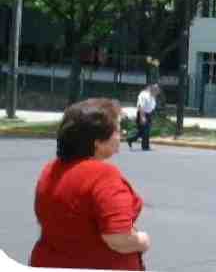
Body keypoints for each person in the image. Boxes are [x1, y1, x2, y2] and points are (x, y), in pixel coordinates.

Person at [30, 98, 150, 270]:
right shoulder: (103, 176)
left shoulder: (51, 170)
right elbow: (118, 238)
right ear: (98, 142)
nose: (121, 133)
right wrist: (143, 241)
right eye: (117, 129)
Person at [127, 84, 160, 151]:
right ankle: (145, 146)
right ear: (152, 89)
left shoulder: (152, 96)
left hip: (148, 114)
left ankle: (130, 139)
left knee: (142, 132)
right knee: (145, 131)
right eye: (156, 91)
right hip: (142, 114)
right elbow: (140, 106)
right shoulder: (144, 95)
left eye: (157, 91)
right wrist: (142, 117)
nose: (157, 93)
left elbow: (151, 107)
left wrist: (151, 117)